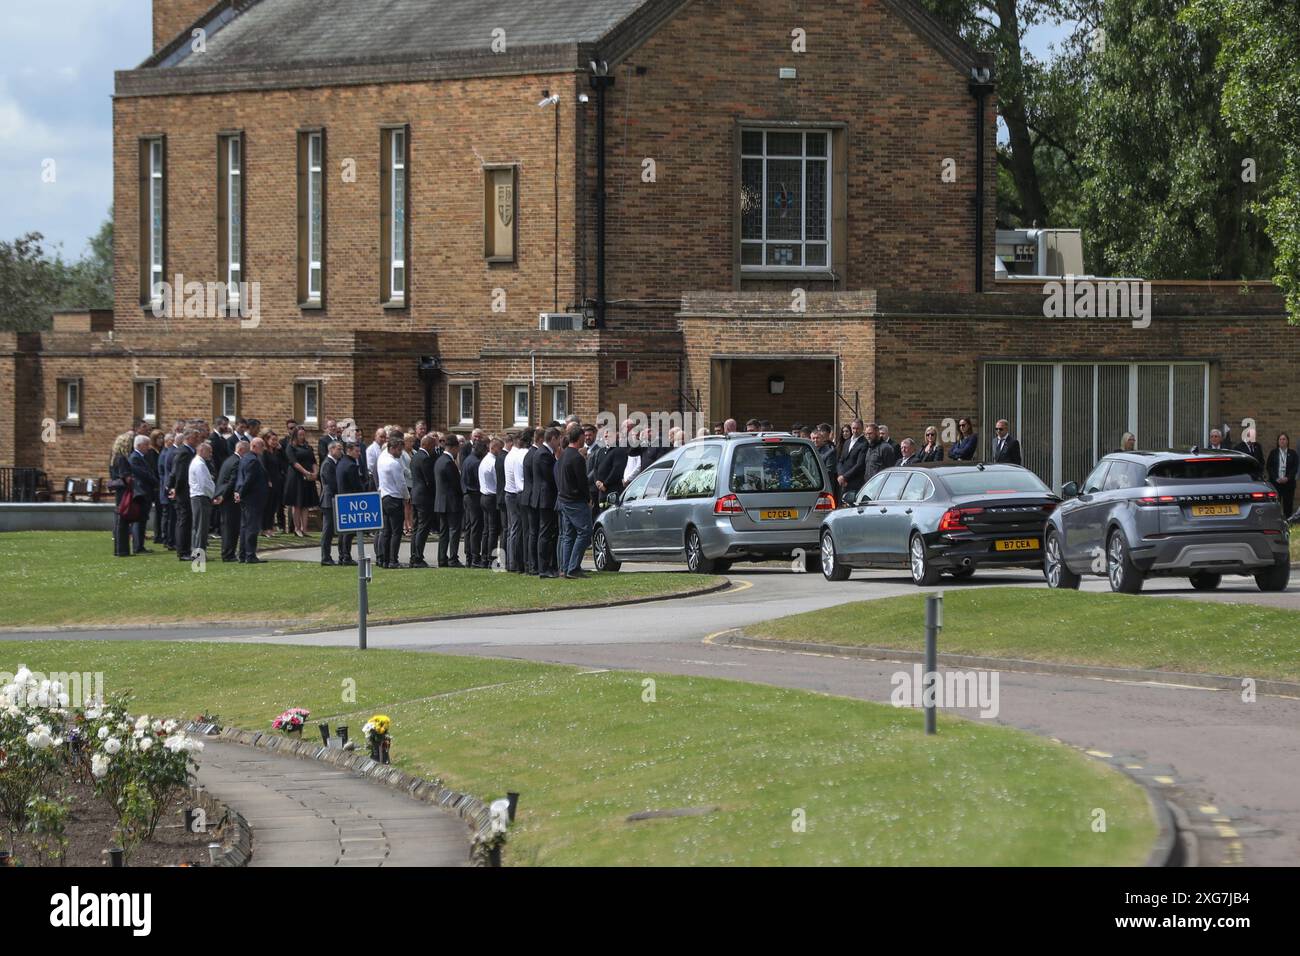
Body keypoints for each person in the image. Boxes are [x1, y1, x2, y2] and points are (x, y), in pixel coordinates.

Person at [556, 424, 593, 578]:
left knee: (568, 535)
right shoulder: (576, 457)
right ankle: (573, 567)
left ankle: (565, 568)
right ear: (579, 438)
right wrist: (588, 498)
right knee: (585, 532)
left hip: (564, 499)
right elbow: (582, 482)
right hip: (575, 501)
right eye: (583, 437)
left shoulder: (563, 455)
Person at [235, 438, 269, 563]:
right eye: (262, 446)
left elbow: (240, 478)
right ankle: (250, 554)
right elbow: (248, 480)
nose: (263, 448)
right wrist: (241, 493)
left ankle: (243, 554)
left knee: (245, 527)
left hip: (247, 497)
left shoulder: (245, 458)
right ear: (254, 446)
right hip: (252, 499)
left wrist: (238, 492)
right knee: (252, 528)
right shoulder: (253, 461)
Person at [376, 435, 408, 569]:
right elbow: (401, 483)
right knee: (396, 531)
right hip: (394, 498)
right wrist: (406, 496)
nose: (401, 453)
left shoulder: (382, 457)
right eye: (399, 450)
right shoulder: (393, 463)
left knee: (386, 531)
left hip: (384, 496)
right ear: (393, 448)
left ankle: (384, 559)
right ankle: (393, 559)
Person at [168, 428, 200, 560]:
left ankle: (186, 549)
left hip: (188, 491)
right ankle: (183, 551)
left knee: (187, 521)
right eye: (195, 437)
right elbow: (179, 474)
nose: (198, 440)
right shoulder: (183, 452)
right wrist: (175, 489)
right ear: (187, 438)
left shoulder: (190, 451)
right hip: (184, 492)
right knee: (184, 521)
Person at [534, 426, 560, 578]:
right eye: (558, 439)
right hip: (546, 499)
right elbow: (550, 477)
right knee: (545, 534)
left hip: (545, 498)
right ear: (553, 438)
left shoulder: (544, 453)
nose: (559, 443)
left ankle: (546, 566)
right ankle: (543, 568)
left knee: (546, 533)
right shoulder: (544, 454)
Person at [434, 434, 465, 568]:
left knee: (444, 532)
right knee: (453, 531)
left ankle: (442, 558)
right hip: (451, 502)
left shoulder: (439, 460)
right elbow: (456, 484)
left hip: (441, 502)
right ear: (454, 447)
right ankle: (453, 558)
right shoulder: (449, 462)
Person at [284, 426, 319, 537]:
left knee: (306, 504)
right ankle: (297, 528)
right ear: (295, 435)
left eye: (304, 434)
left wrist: (315, 473)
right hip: (296, 478)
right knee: (297, 504)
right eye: (300, 435)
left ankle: (305, 528)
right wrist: (305, 472)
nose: (302, 437)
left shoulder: (308, 447)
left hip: (308, 478)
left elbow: (313, 461)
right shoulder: (291, 447)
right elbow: (293, 462)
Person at [409, 435, 438, 568]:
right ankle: (418, 557)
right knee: (423, 527)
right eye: (433, 446)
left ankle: (414, 555)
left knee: (416, 528)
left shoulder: (415, 457)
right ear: (426, 445)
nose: (434, 449)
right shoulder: (425, 458)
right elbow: (429, 480)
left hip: (416, 495)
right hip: (424, 497)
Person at [214, 439, 245, 562]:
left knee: (227, 526)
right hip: (229, 499)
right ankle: (228, 554)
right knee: (231, 528)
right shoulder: (237, 462)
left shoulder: (228, 460)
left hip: (224, 497)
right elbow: (232, 482)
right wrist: (224, 496)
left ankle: (228, 552)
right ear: (241, 450)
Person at [504, 428, 530, 573]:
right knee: (515, 529)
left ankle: (511, 562)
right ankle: (514, 563)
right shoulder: (516, 455)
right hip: (514, 495)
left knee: (512, 530)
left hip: (510, 493)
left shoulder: (510, 455)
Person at [128, 434, 158, 554]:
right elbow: (143, 474)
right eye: (146, 445)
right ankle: (137, 546)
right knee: (139, 520)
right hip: (141, 492)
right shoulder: (135, 458)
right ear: (139, 445)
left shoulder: (141, 457)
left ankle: (140, 545)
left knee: (142, 519)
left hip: (146, 491)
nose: (148, 447)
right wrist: (156, 481)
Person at [336, 440, 363, 565]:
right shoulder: (351, 465)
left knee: (343, 530)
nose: (359, 453)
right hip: (351, 499)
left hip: (342, 498)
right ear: (349, 451)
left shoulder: (341, 463)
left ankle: (342, 555)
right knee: (349, 531)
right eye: (356, 451)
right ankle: (346, 556)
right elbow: (356, 485)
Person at [188, 441, 217, 559]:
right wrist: (213, 495)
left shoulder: (199, 462)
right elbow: (204, 483)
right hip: (201, 497)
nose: (210, 454)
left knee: (198, 527)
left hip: (199, 496)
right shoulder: (199, 464)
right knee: (201, 527)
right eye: (208, 451)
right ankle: (199, 554)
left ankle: (196, 552)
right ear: (201, 450)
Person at [109, 431, 135, 557]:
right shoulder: (122, 459)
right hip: (124, 492)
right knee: (123, 519)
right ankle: (122, 549)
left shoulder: (114, 458)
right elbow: (126, 477)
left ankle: (119, 549)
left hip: (119, 491)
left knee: (120, 518)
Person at [318, 440, 343, 566]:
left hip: (333, 499)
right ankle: (325, 557)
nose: (340, 451)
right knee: (327, 530)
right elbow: (331, 483)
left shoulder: (334, 463)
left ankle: (331, 555)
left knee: (331, 530)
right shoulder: (327, 464)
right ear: (331, 449)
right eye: (338, 449)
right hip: (328, 500)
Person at [478, 437, 502, 568]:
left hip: (484, 496)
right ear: (493, 448)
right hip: (491, 497)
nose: (500, 451)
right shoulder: (493, 462)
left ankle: (484, 557)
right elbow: (497, 481)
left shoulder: (484, 460)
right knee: (493, 530)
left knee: (487, 530)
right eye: (499, 448)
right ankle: (491, 558)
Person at [461, 438, 484, 569]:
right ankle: (475, 556)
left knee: (469, 526)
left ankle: (469, 555)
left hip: (467, 495)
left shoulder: (467, 460)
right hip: (474, 496)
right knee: (475, 527)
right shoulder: (476, 462)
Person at [521, 429, 540, 575]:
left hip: (526, 496)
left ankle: (529, 564)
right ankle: (533, 565)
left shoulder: (529, 454)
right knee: (533, 533)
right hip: (533, 497)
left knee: (529, 533)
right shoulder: (535, 455)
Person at [1267, 433, 1298, 519]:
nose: (1282, 441)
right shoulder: (1273, 453)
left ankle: (1288, 521)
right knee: (1275, 504)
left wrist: (1287, 478)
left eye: (1284, 439)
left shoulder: (1293, 453)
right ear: (1278, 441)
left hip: (1289, 484)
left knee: (1288, 504)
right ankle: (1275, 521)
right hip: (1276, 483)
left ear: (1287, 441)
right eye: (1280, 439)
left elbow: (1295, 468)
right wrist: (1276, 478)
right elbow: (1269, 467)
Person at [260, 430, 285, 537]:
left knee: (274, 506)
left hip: (277, 481)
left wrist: (281, 449)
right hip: (268, 482)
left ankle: (270, 527)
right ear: (266, 440)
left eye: (276, 440)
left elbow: (283, 463)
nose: (275, 442)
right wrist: (268, 480)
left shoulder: (276, 452)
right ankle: (264, 528)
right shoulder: (264, 452)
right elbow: (263, 467)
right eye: (273, 440)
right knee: (267, 506)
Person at [158, 432, 177, 550]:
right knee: (168, 516)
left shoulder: (167, 452)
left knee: (169, 515)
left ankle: (168, 538)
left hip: (166, 487)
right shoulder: (167, 453)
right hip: (167, 488)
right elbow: (164, 473)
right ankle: (167, 538)